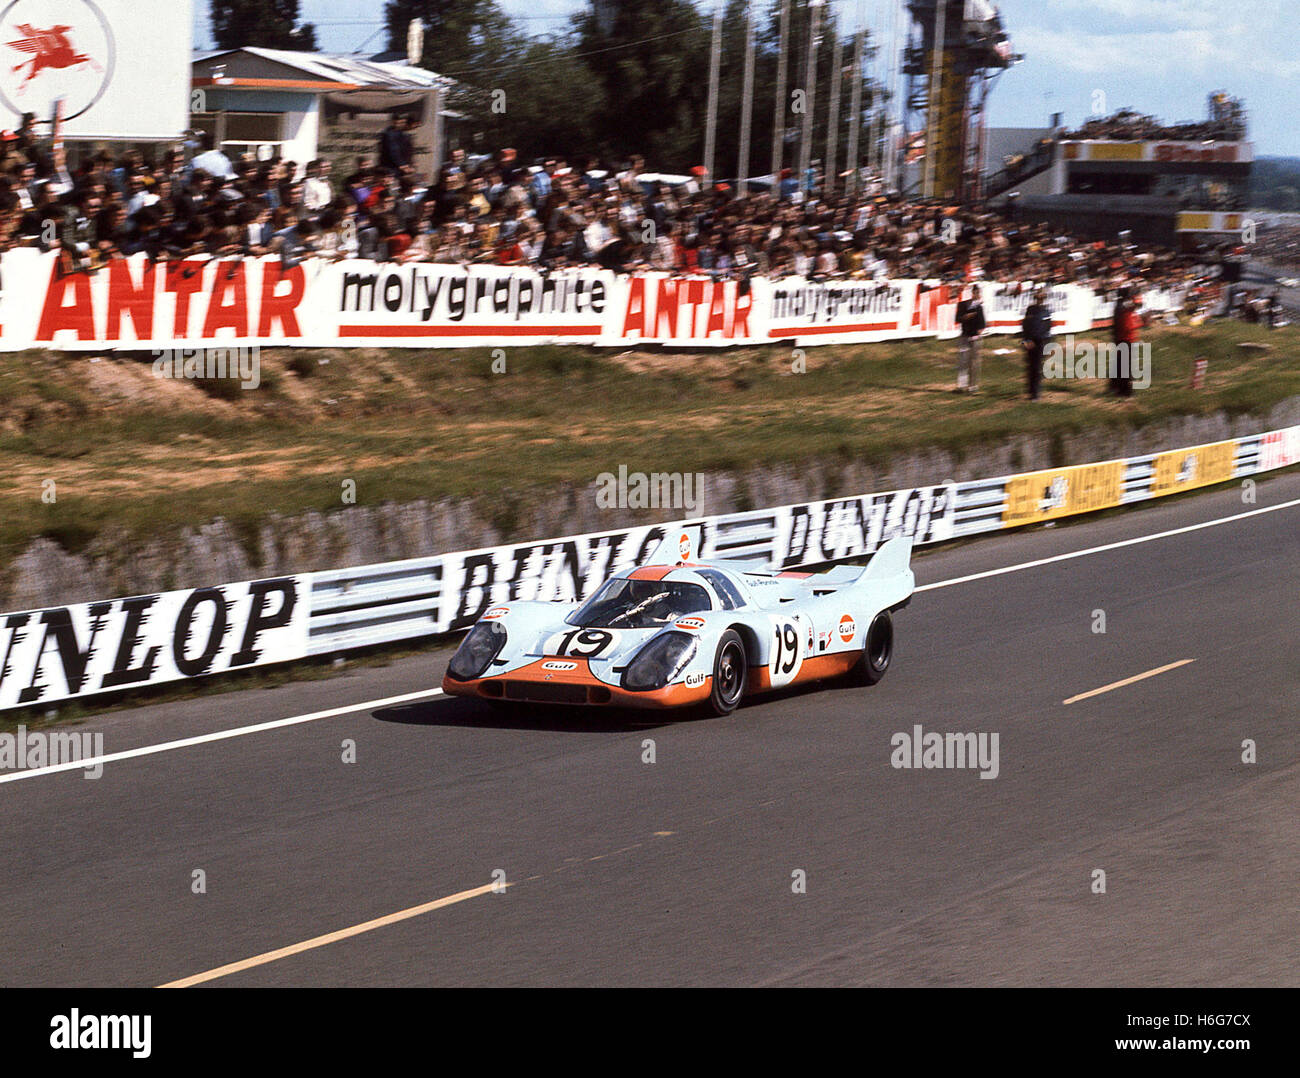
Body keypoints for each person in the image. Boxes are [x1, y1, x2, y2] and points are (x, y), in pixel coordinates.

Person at [1020, 287, 1053, 401]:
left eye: (1042, 297)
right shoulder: (1030, 310)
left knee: (1037, 368)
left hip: (1041, 342)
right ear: (1035, 298)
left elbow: (1048, 329)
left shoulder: (1046, 311)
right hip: (1030, 342)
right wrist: (1025, 341)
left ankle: (1036, 393)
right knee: (1030, 367)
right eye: (1038, 297)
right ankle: (1030, 390)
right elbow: (1025, 326)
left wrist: (1049, 344)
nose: (1040, 299)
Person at [955, 284, 986, 392]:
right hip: (965, 335)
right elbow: (957, 318)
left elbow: (982, 324)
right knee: (963, 361)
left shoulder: (979, 307)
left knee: (974, 362)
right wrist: (965, 317)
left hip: (975, 337)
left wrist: (978, 334)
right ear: (972, 293)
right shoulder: (963, 305)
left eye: (979, 293)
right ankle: (961, 385)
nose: (977, 295)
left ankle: (973, 386)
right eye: (976, 292)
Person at [1110, 286, 1140, 397]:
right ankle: (1125, 391)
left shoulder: (1119, 307)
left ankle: (1116, 388)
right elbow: (1128, 325)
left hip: (1121, 339)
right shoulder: (1124, 308)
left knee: (1119, 366)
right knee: (1125, 367)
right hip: (1126, 339)